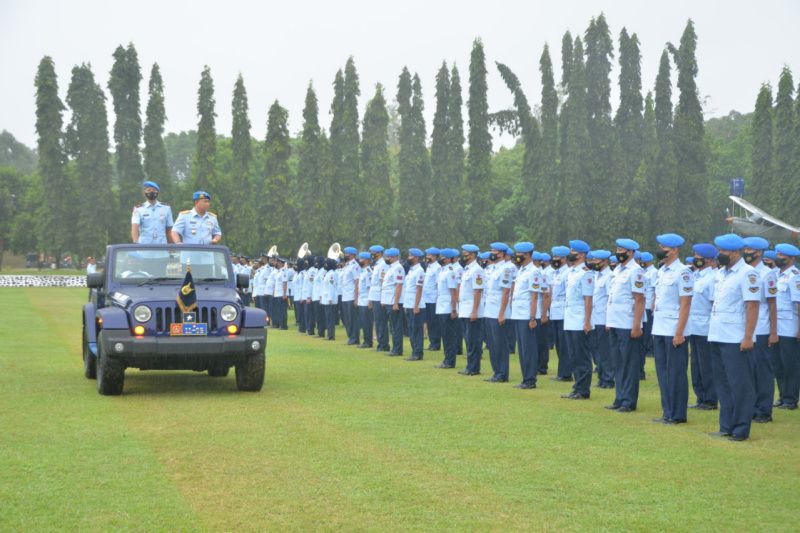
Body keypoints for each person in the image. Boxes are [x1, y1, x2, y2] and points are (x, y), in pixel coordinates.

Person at [707, 233, 760, 442]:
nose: (720, 255)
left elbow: (752, 306)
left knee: (740, 384)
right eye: (719, 251)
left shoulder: (747, 274)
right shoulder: (721, 273)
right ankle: (726, 425)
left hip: (736, 337)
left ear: (736, 253)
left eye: (724, 252)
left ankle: (740, 428)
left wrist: (748, 336)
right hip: (718, 334)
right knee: (722, 383)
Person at [651, 233, 693, 425]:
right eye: (660, 246)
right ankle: (667, 411)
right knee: (662, 372)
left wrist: (679, 332)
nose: (661, 250)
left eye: (664, 248)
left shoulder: (683, 272)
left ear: (675, 250)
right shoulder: (662, 271)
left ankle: (677, 414)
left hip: (674, 329)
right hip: (659, 327)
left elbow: (685, 304)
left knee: (675, 372)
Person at [605, 238, 646, 413]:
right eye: (617, 249)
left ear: (630, 252)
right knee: (618, 362)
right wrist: (608, 321)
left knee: (629, 363)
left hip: (627, 323)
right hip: (615, 321)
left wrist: (636, 325)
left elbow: (639, 299)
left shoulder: (635, 271)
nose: (618, 252)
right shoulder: (618, 270)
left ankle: (629, 401)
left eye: (621, 249)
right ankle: (619, 397)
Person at [742, 237, 778, 422]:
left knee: (762, 370)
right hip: (746, 327)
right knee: (748, 370)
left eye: (750, 249)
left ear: (759, 253)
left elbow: (772, 304)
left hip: (762, 327)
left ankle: (764, 410)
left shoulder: (767, 274)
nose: (746, 252)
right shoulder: (744, 272)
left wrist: (773, 332)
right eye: (745, 248)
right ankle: (751, 406)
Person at [687, 243, 719, 411]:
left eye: (697, 256)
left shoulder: (713, 278)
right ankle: (701, 397)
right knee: (696, 365)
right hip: (693, 327)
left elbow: (714, 304)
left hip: (706, 327)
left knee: (707, 365)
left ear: (707, 259)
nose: (695, 258)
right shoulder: (696, 276)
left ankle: (710, 399)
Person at [561, 240, 594, 400]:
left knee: (582, 356)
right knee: (573, 355)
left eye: (573, 251)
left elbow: (588, 299)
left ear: (581, 255)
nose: (570, 253)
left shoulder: (585, 273)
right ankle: (577, 386)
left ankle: (583, 390)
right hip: (570, 319)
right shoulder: (572, 272)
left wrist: (587, 321)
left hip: (580, 319)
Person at [509, 242, 544, 388]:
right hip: (518, 314)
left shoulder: (533, 272)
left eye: (520, 254)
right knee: (522, 349)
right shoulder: (521, 270)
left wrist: (532, 317)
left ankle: (530, 380)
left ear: (528, 255)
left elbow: (534, 296)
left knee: (528, 348)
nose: (517, 257)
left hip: (526, 315)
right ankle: (525, 378)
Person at [773, 243, 800, 411]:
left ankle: (791, 399)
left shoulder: (795, 276)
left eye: (782, 256)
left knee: (790, 364)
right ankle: (783, 395)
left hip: (790, 327)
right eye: (778, 255)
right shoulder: (776, 274)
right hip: (776, 327)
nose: (778, 258)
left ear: (792, 259)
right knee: (778, 364)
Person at [483, 243, 513, 382]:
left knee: (500, 344)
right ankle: (496, 372)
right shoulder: (492, 268)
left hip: (498, 311)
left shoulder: (506, 269)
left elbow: (506, 291)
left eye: (494, 251)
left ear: (501, 253)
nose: (491, 253)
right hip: (488, 310)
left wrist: (501, 313)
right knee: (492, 344)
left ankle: (502, 373)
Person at [457, 244, 484, 376]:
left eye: (466, 253)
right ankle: (470, 365)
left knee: (473, 340)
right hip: (464, 309)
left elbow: (478, 291)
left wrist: (474, 311)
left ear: (473, 255)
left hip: (472, 310)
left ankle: (474, 368)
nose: (463, 256)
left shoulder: (476, 270)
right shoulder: (467, 269)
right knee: (468, 339)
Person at [589, 250, 614, 388]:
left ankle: (608, 379)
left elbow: (610, 299)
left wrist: (609, 320)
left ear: (604, 261)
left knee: (605, 351)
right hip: (594, 318)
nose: (594, 263)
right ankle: (601, 377)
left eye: (596, 260)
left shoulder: (609, 276)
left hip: (603, 318)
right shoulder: (596, 275)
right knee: (596, 350)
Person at [435, 249, 460, 369]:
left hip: (447, 307)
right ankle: (446, 359)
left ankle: (450, 361)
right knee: (444, 335)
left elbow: (453, 292)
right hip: (441, 306)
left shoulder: (450, 272)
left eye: (443, 257)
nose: (441, 259)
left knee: (449, 335)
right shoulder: (443, 270)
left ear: (449, 259)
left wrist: (454, 309)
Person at [549, 246, 572, 381]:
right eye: (554, 257)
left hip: (563, 312)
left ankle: (566, 373)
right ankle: (561, 371)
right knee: (558, 343)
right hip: (555, 312)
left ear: (564, 259)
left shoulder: (567, 273)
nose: (554, 260)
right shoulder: (555, 273)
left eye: (557, 257)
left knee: (564, 345)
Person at [381, 248, 405, 356]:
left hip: (394, 302)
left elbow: (398, 285)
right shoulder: (391, 268)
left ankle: (397, 349)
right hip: (389, 301)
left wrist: (395, 302)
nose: (388, 258)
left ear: (395, 257)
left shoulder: (398, 268)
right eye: (387, 256)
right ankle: (395, 348)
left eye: (389, 257)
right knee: (392, 326)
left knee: (396, 327)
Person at [403, 248, 426, 361]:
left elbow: (419, 289)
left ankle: (418, 353)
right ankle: (414, 351)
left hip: (415, 305)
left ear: (416, 258)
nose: (408, 258)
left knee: (416, 330)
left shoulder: (419, 271)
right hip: (408, 304)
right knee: (411, 329)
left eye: (411, 256)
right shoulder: (411, 270)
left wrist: (416, 305)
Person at [368, 245, 390, 352]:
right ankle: (381, 343)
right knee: (377, 321)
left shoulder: (383, 265)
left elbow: (382, 282)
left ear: (380, 253)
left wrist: (383, 298)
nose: (372, 254)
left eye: (374, 252)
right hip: (374, 296)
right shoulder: (376, 265)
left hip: (379, 296)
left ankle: (384, 344)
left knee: (381, 322)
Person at [640, 251, 658, 379]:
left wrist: (653, 306)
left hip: (648, 306)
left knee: (646, 335)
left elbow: (655, 290)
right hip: (642, 305)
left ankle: (649, 351)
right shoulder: (643, 271)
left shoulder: (654, 272)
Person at [422, 247, 442, 351]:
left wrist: (437, 297)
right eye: (427, 255)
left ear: (434, 257)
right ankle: (431, 342)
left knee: (434, 322)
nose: (427, 257)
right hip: (427, 299)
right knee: (429, 322)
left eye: (429, 255)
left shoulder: (437, 267)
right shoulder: (429, 267)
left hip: (433, 298)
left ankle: (436, 343)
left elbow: (438, 284)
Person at [341, 247, 361, 345]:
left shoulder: (355, 266)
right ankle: (350, 336)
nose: (345, 255)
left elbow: (357, 281)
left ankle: (354, 338)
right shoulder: (347, 266)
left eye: (347, 254)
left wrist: (356, 298)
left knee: (353, 318)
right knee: (347, 318)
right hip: (345, 295)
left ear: (352, 255)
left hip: (351, 295)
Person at [355, 252, 374, 348]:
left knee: (367, 322)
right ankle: (366, 340)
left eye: (361, 259)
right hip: (361, 300)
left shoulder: (368, 271)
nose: (359, 260)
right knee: (363, 322)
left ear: (366, 260)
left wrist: (370, 301)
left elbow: (370, 288)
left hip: (366, 300)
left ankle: (368, 342)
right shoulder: (362, 271)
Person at [321, 258, 339, 340]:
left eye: (326, 264)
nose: (325, 265)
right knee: (327, 317)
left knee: (330, 318)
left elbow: (331, 287)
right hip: (326, 298)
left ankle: (331, 336)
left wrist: (330, 298)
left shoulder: (332, 274)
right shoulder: (328, 273)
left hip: (330, 299)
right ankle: (329, 334)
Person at [304, 257, 318, 336]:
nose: (305, 263)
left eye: (307, 261)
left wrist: (309, 297)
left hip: (310, 296)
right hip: (307, 295)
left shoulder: (312, 270)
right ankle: (309, 328)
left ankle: (310, 329)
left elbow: (311, 285)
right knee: (308, 313)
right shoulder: (308, 270)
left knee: (310, 314)